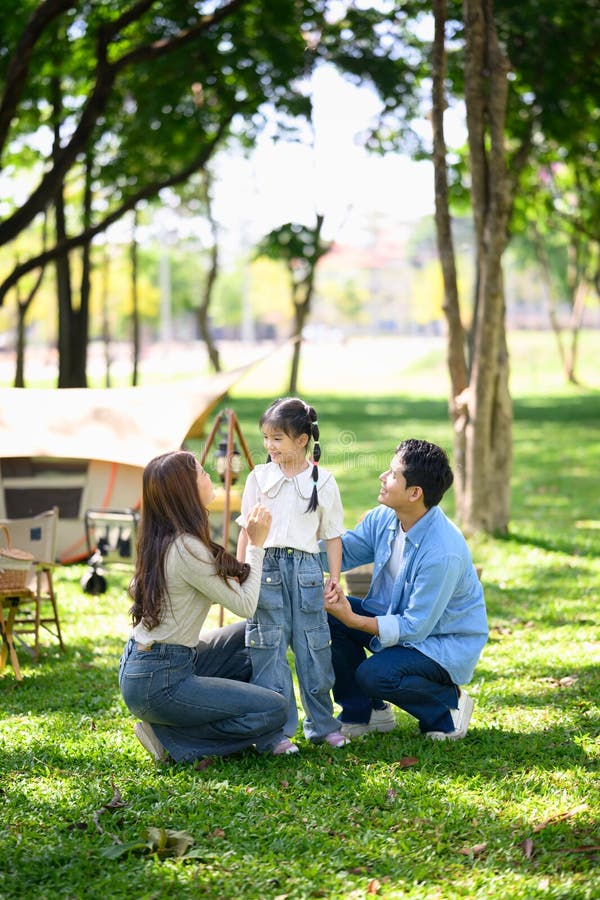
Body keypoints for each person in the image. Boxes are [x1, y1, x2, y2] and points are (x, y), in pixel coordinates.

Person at [119, 449, 288, 766]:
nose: (208, 474)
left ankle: (181, 722)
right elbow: (245, 603)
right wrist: (256, 543)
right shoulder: (186, 547)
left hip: (150, 664)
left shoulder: (164, 536)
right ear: (185, 489)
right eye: (200, 471)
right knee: (273, 709)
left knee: (249, 637)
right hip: (161, 679)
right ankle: (175, 740)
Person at [323, 438, 488, 741]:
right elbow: (343, 553)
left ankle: (448, 707)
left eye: (392, 475)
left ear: (415, 493)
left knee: (375, 674)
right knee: (325, 615)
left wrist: (354, 620)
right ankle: (366, 713)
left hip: (440, 642)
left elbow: (415, 626)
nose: (382, 478)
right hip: (395, 619)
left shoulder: (442, 551)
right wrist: (290, 544)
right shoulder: (384, 517)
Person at [236, 397, 349, 754]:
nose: (269, 446)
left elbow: (332, 535)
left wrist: (334, 577)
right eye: (266, 438)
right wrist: (243, 569)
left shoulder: (324, 482)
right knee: (267, 649)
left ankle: (323, 725)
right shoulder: (258, 477)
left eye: (277, 439)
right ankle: (276, 733)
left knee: (314, 649)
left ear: (302, 440)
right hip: (264, 568)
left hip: (307, 572)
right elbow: (245, 529)